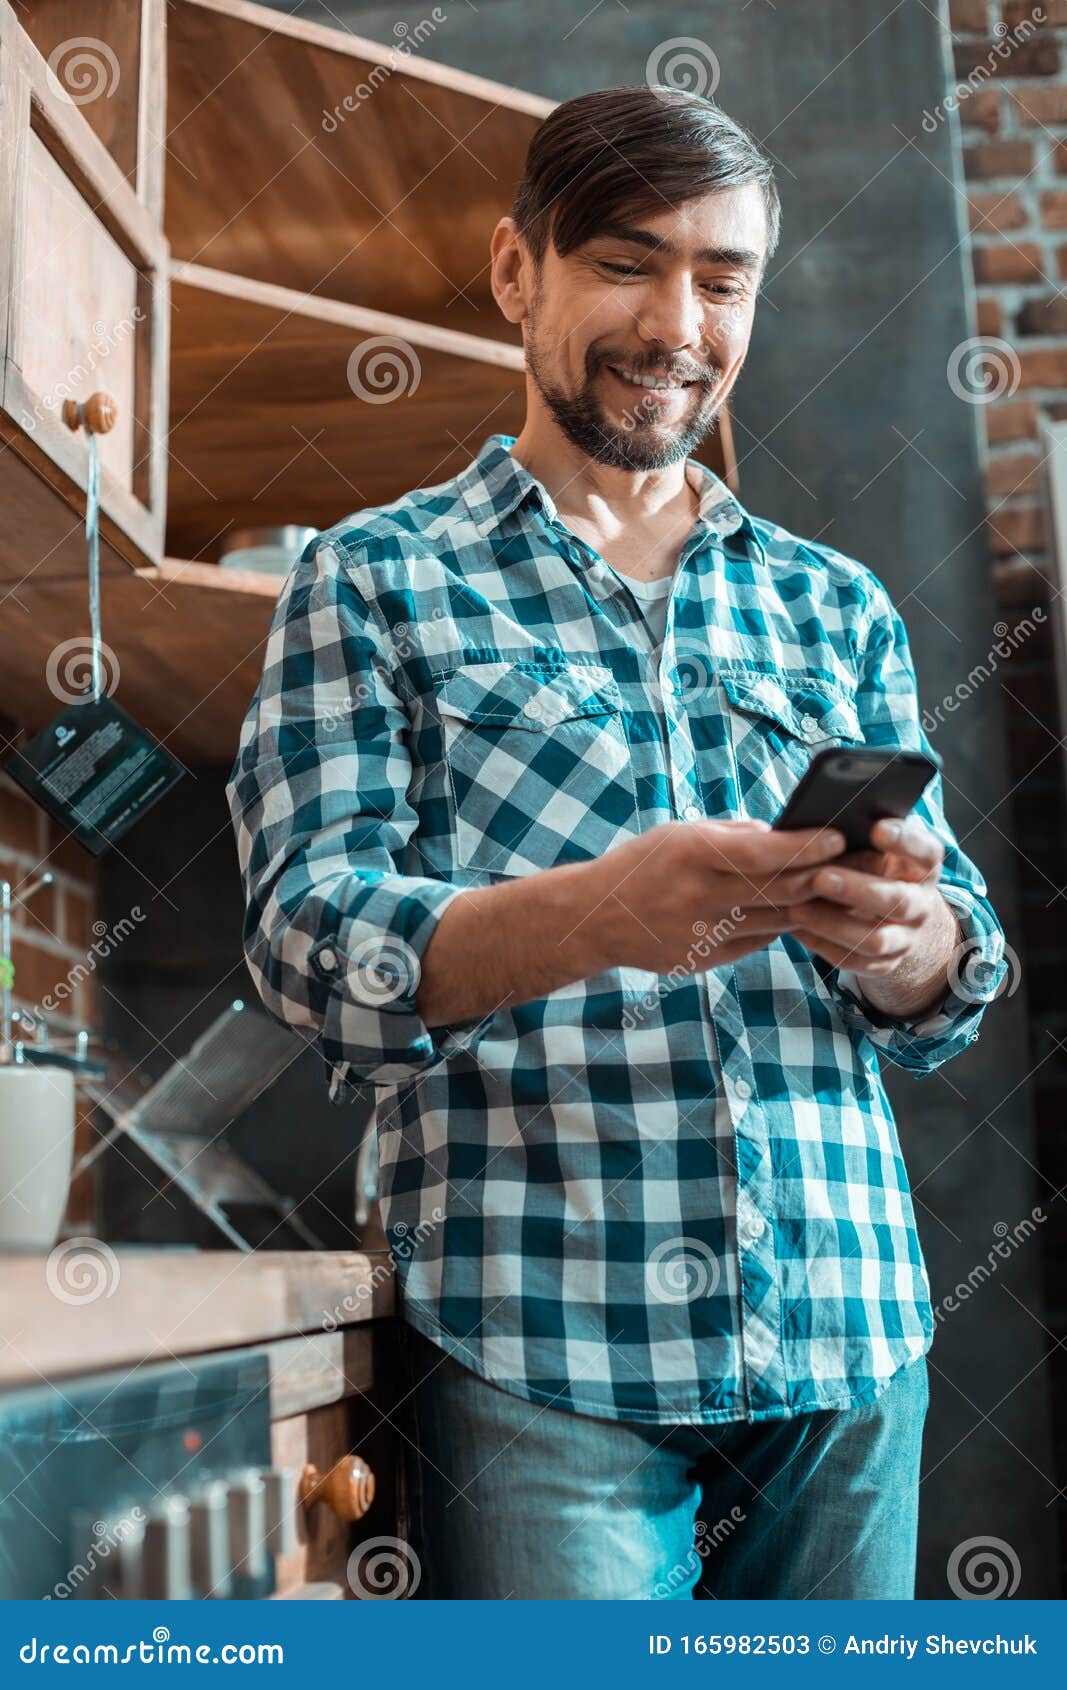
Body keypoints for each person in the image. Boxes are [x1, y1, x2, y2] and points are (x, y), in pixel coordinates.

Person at [227, 85, 1007, 1600]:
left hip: (847, 1337)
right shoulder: (371, 580)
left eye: (723, 281)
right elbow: (305, 940)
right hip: (537, 1344)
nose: (678, 323)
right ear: (520, 272)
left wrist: (914, 944)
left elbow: (958, 961)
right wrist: (600, 915)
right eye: (628, 264)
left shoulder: (832, 604)